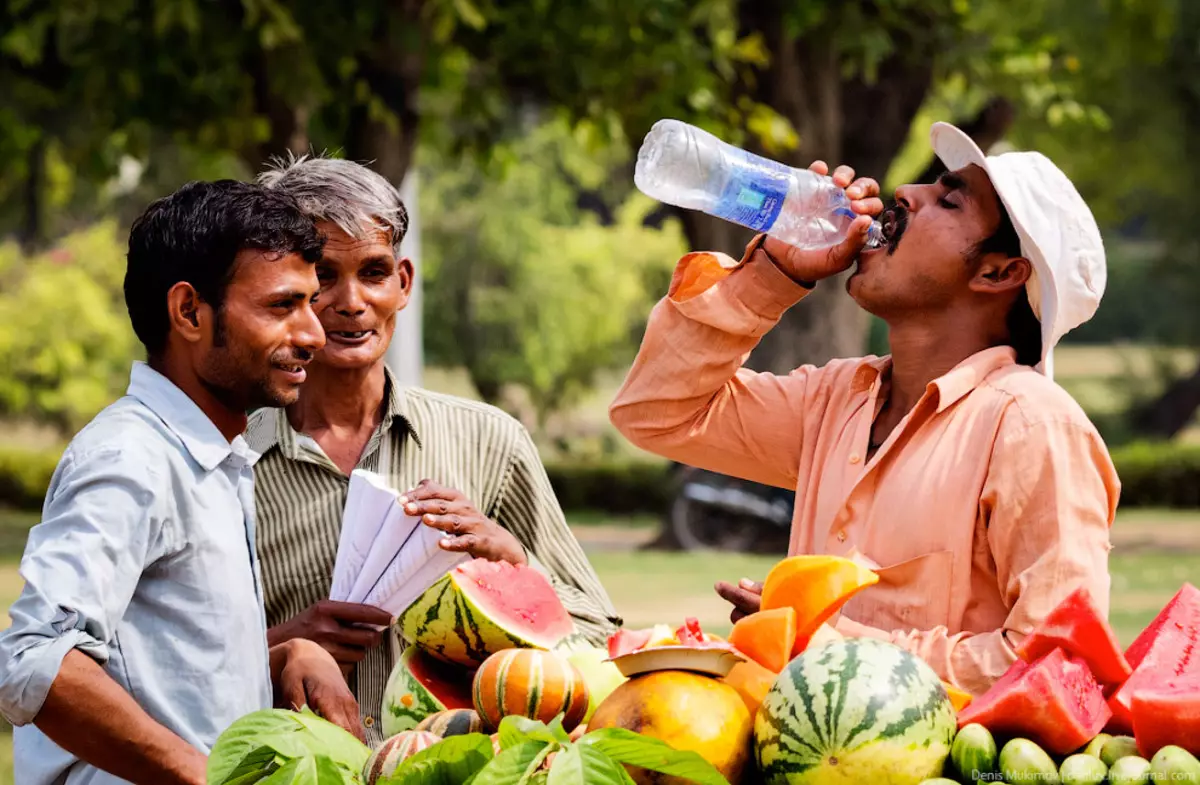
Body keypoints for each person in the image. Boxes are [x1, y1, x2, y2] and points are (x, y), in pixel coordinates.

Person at [608, 121, 1120, 696]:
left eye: (948, 199)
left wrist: (830, 649)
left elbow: (1060, 662)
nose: (905, 193)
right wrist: (771, 277)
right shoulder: (835, 400)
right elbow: (654, 412)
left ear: (997, 272)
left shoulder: (1031, 426)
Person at [246, 155, 621, 744]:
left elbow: (599, 635)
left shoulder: (490, 441)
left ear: (405, 283)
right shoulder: (231, 460)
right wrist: (277, 647)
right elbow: (169, 665)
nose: (350, 302)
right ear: (286, 292)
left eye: (373, 272)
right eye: (322, 276)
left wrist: (514, 563)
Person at [0, 180, 365, 785]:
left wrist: (282, 658)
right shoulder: (131, 458)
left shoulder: (213, 454)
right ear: (190, 312)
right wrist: (203, 779)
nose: (313, 335)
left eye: (310, 302)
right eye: (281, 306)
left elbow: (162, 669)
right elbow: (35, 659)